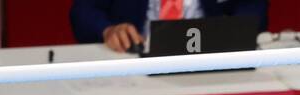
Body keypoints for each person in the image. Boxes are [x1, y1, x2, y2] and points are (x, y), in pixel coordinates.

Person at [70, 0, 269, 52]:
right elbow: (83, 11)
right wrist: (108, 30)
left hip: (213, 57)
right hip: (137, 56)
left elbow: (253, 5)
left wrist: (234, 30)